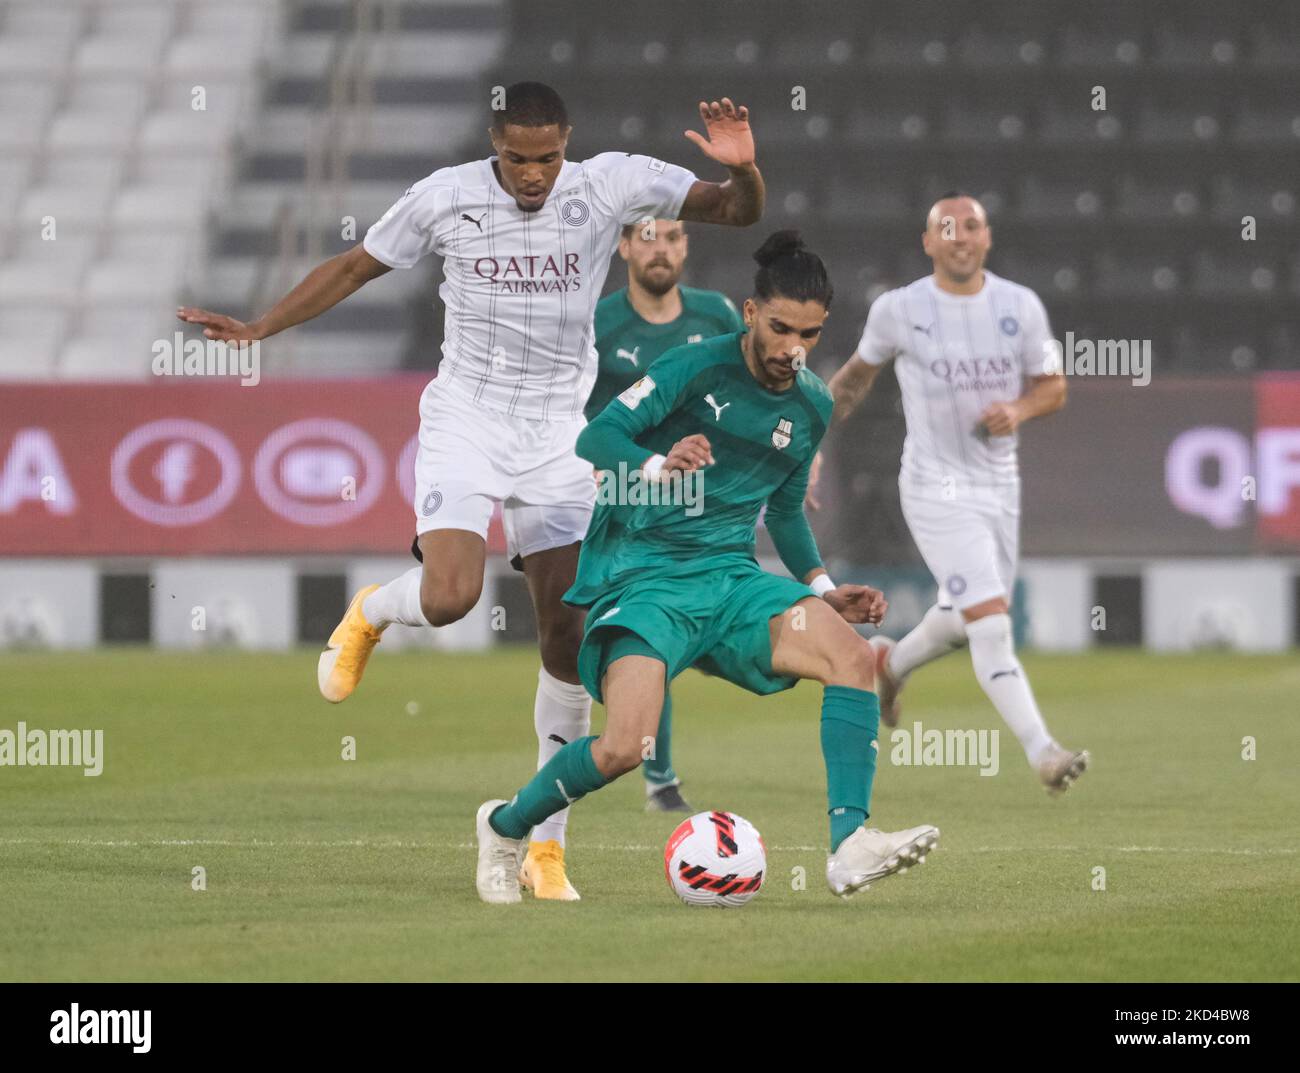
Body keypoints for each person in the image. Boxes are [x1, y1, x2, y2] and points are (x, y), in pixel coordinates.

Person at [177, 83, 767, 900]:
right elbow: (356, 264)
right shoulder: (445, 196)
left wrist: (746, 171)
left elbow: (735, 212)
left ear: (568, 143)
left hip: (561, 432)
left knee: (568, 638)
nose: (533, 174)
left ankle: (546, 848)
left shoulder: (609, 184)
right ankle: (375, 611)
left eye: (548, 157)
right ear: (496, 145)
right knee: (452, 596)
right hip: (467, 419)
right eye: (518, 159)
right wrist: (260, 329)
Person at [475, 231, 940, 904]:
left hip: (731, 579)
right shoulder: (695, 367)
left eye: (807, 334)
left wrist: (823, 589)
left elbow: (784, 510)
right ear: (750, 312)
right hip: (644, 576)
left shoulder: (811, 402)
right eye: (779, 328)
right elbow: (595, 436)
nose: (791, 348)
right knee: (624, 747)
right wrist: (659, 466)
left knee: (854, 659)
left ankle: (849, 844)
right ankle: (504, 825)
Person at [827, 192, 1088, 794]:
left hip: (1000, 487)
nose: (960, 237)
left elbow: (1054, 386)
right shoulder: (899, 310)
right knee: (992, 622)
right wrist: (806, 439)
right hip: (934, 488)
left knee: (966, 615)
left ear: (987, 238)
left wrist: (1019, 407)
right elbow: (853, 381)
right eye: (947, 228)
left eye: (971, 226)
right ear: (929, 243)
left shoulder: (1020, 306)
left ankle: (888, 665)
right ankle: (1043, 751)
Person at [581, 215, 744, 815]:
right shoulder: (597, 323)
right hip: (625, 499)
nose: (663, 249)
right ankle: (659, 778)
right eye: (648, 236)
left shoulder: (717, 315)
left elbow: (756, 387)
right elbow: (569, 403)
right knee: (648, 631)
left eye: (674, 237)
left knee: (689, 626)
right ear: (624, 246)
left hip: (704, 500)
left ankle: (653, 767)